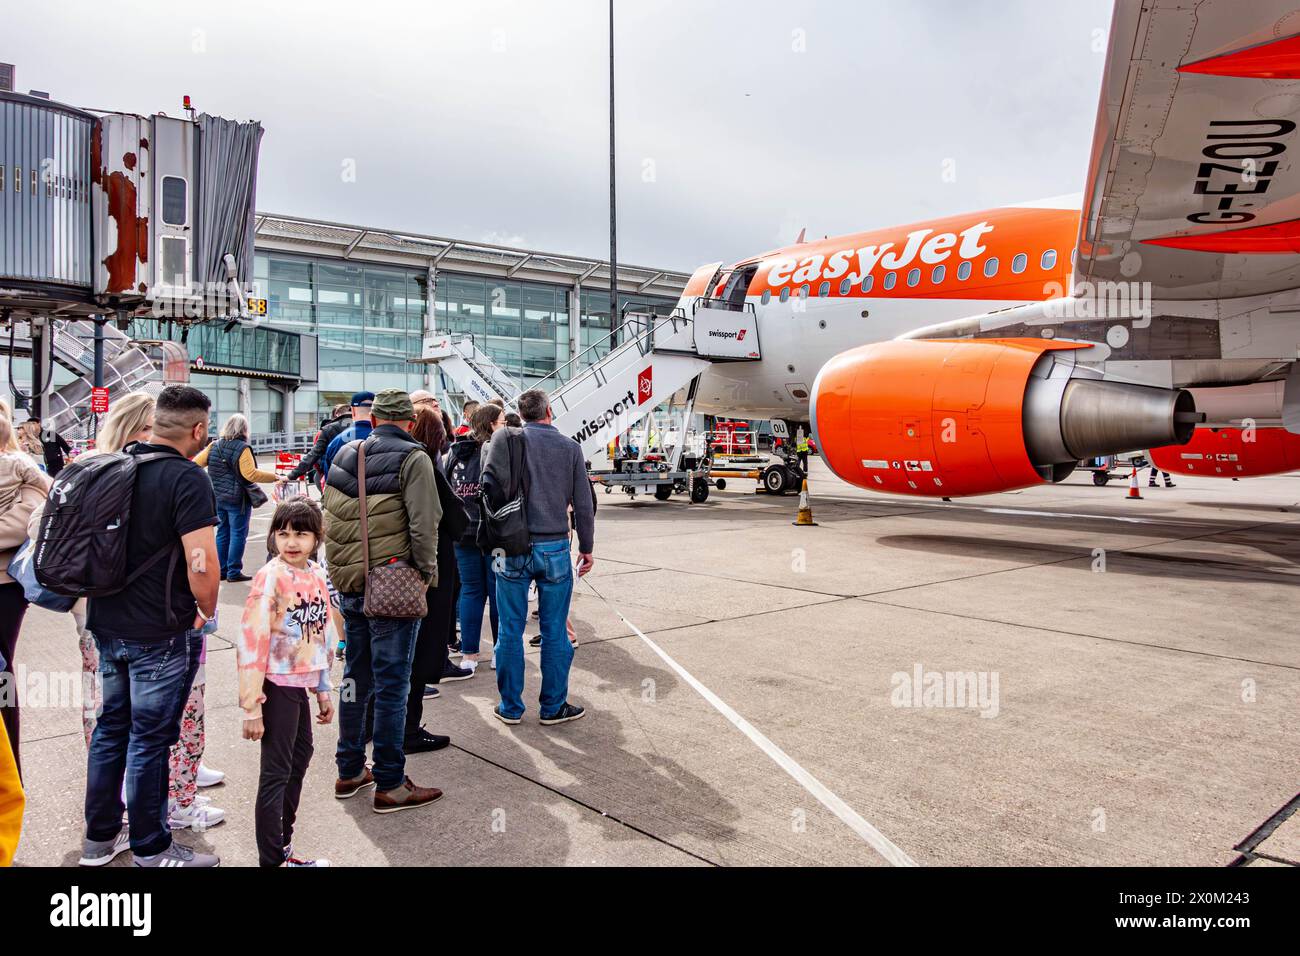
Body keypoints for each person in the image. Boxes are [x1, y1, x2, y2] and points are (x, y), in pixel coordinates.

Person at [80, 384, 222, 868]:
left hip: (106, 621)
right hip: (158, 630)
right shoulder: (186, 478)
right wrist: (205, 609)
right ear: (198, 430)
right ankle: (151, 847)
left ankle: (99, 839)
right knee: (151, 738)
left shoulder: (112, 465)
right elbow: (201, 561)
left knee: (110, 728)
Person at [322, 388, 444, 813]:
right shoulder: (414, 458)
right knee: (393, 685)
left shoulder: (345, 454)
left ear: (374, 420)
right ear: (410, 422)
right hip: (392, 586)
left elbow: (331, 517)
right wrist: (426, 576)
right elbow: (425, 526)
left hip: (350, 585)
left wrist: (343, 573)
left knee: (355, 678)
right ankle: (391, 782)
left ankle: (349, 767)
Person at [483, 388, 594, 726]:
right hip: (555, 547)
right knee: (555, 631)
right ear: (549, 411)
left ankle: (511, 707)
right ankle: (552, 706)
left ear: (522, 413)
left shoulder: (506, 441)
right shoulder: (570, 448)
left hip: (512, 546)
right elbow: (584, 504)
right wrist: (586, 548)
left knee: (509, 631)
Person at [239, 496, 338, 867]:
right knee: (276, 772)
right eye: (283, 533)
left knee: (300, 758)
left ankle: (283, 847)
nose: (291, 542)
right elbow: (251, 639)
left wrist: (323, 686)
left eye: (300, 533)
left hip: (300, 683)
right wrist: (252, 706)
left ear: (317, 537)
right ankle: (273, 859)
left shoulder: (315, 574)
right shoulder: (271, 576)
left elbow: (320, 633)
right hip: (275, 685)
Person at [403, 408, 470, 753]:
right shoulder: (425, 465)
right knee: (417, 653)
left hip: (390, 570)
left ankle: (381, 726)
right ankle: (409, 731)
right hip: (427, 571)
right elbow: (451, 518)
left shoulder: (382, 457)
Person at [0, 415, 52, 773]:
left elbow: (23, 524)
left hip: (5, 587)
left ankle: (9, 767)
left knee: (2, 675)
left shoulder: (25, 474)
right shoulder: (26, 474)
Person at [447, 403, 504, 671]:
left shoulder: (455, 452)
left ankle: (469, 654)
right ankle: (498, 650)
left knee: (470, 591)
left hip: (463, 531)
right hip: (493, 534)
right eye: (502, 422)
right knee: (497, 592)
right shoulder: (495, 450)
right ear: (492, 424)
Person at [195, 413, 278, 583]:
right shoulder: (242, 448)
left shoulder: (214, 446)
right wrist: (275, 477)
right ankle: (233, 571)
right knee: (238, 534)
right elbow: (250, 474)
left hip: (217, 497)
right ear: (244, 429)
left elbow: (196, 464)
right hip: (237, 499)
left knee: (222, 533)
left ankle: (222, 570)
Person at [283, 403, 350, 490]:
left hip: (331, 477)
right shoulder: (367, 428)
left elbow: (314, 454)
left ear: (336, 415)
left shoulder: (326, 430)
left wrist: (291, 475)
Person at [322, 391, 375, 479]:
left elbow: (329, 480)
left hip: (345, 491)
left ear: (353, 411)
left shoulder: (337, 442)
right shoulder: (389, 439)